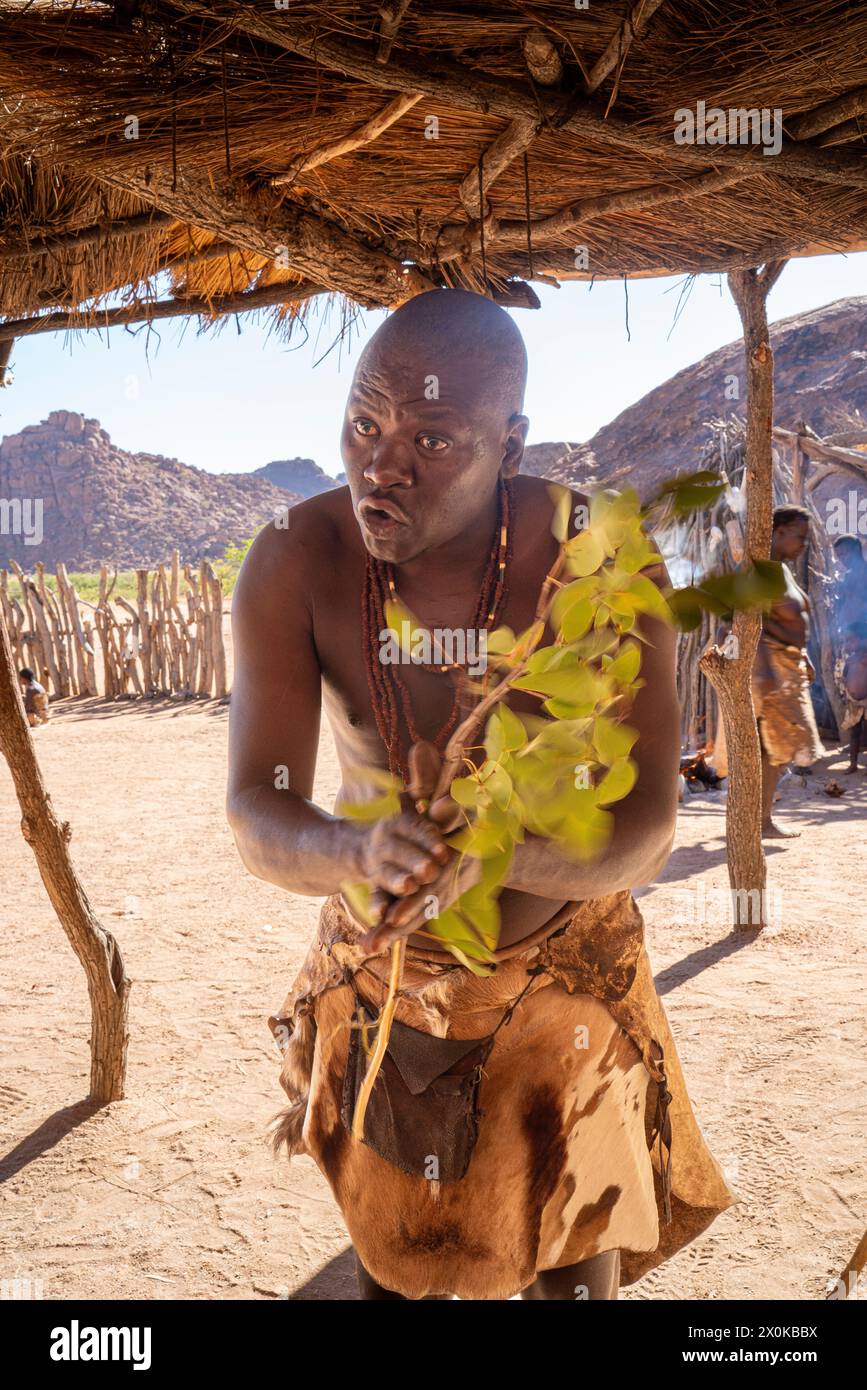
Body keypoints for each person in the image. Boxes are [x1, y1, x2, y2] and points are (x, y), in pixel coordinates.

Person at [227, 289, 733, 1302]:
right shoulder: (296, 559)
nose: (381, 463)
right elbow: (257, 807)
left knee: (572, 1269)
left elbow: (644, 836)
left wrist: (495, 853)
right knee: (395, 1264)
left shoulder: (598, 560)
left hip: (564, 985)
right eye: (364, 423)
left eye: (431, 438)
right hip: (386, 978)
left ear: (512, 443)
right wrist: (353, 852)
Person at [752, 506, 824, 837]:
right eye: (800, 537)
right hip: (773, 669)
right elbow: (753, 624)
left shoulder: (780, 570)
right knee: (769, 750)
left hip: (788, 666)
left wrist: (804, 654)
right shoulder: (761, 571)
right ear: (779, 532)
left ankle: (761, 819)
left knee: (776, 751)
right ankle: (761, 821)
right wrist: (764, 672)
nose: (804, 545)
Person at [831, 536, 867, 772]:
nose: (842, 560)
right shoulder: (849, 578)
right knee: (854, 703)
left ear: (856, 550)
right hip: (853, 643)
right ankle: (855, 756)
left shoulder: (864, 575)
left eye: (845, 554)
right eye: (839, 556)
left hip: (862, 644)